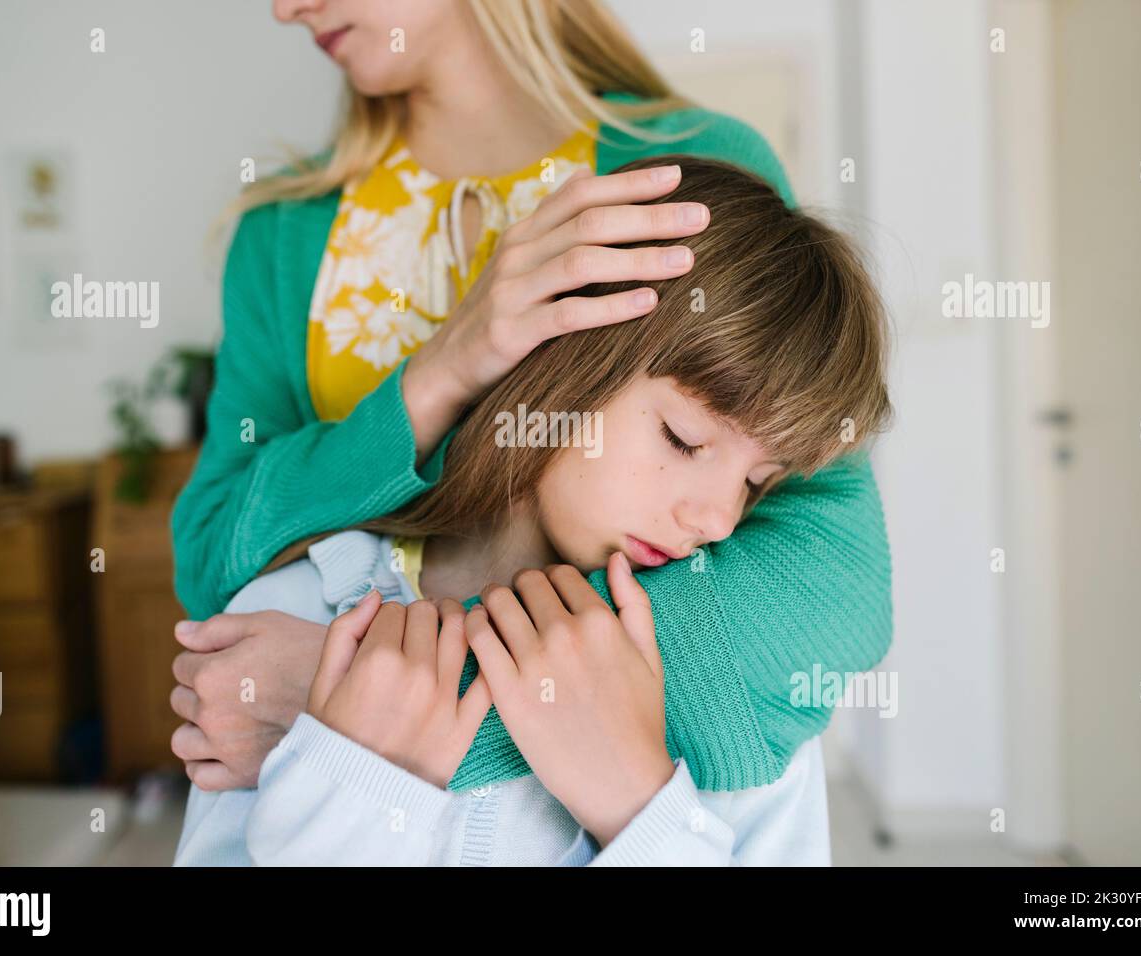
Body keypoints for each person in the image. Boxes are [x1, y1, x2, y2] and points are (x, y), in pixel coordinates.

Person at [169, 0, 894, 820]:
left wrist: (361, 699)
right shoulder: (282, 233)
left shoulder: (684, 174)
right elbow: (209, 564)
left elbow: (832, 597)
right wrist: (438, 373)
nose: (285, 8)